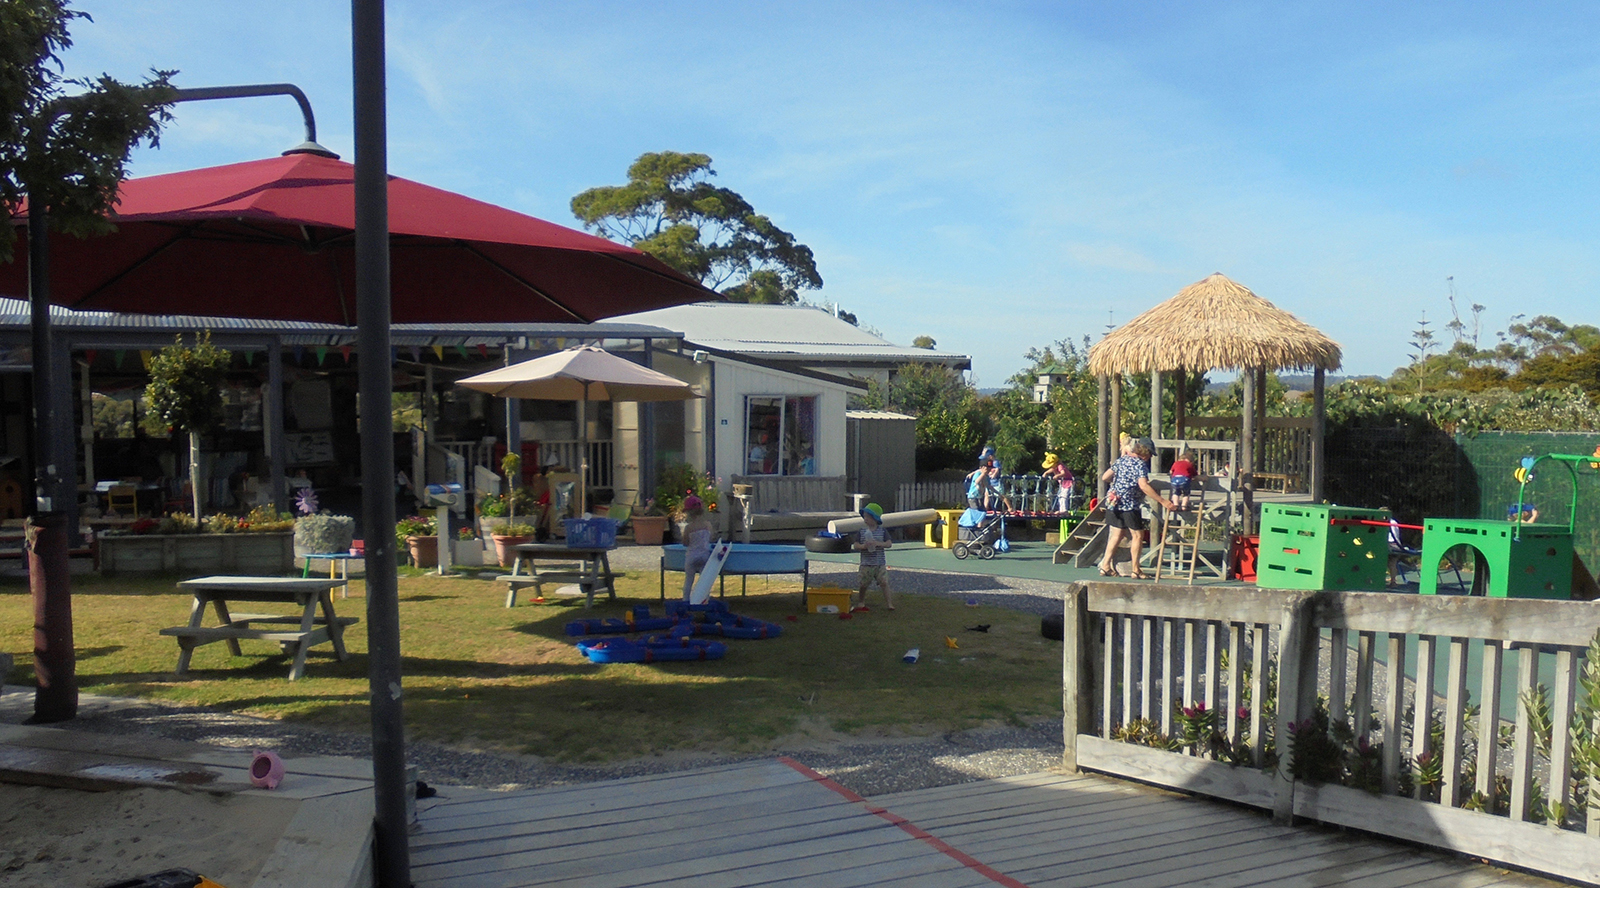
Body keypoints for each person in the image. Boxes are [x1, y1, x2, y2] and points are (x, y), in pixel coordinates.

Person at [1097, 436, 1178, 579]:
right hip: (1129, 504)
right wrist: (1162, 501)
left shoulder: (1121, 460)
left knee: (1116, 535)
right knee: (1138, 535)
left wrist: (1119, 484)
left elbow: (1105, 477)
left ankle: (1105, 565)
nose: (1149, 458)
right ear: (1145, 452)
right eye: (1150, 455)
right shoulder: (1140, 465)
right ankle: (1136, 569)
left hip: (1114, 502)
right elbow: (1143, 485)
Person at [851, 502, 895, 611]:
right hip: (866, 563)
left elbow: (889, 543)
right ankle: (861, 601)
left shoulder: (882, 531)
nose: (865, 519)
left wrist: (878, 543)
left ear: (874, 518)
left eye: (868, 517)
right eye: (864, 517)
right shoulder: (861, 532)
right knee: (863, 584)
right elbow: (855, 545)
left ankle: (889, 604)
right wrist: (863, 546)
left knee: (884, 582)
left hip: (879, 563)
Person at [680, 495, 716, 602]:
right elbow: (712, 538)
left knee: (689, 580)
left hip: (691, 556)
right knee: (704, 581)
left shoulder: (689, 527)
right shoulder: (708, 525)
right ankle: (704, 600)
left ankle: (686, 601)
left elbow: (685, 543)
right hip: (704, 556)